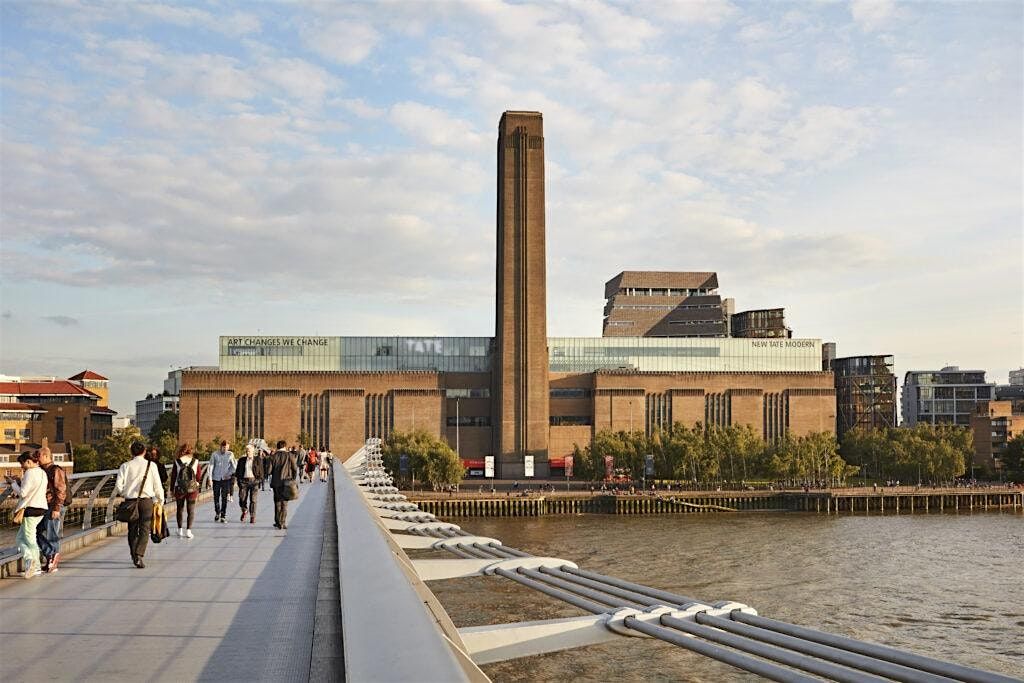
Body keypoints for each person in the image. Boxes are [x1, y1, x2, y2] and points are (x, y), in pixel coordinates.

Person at [115, 441, 164, 568]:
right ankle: (139, 554)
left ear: (131, 452)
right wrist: (160, 499)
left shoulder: (125, 466)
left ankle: (133, 554)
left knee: (132, 529)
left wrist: (126, 492)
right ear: (144, 452)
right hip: (146, 501)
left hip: (130, 501)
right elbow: (157, 484)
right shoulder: (151, 465)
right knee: (144, 529)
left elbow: (118, 486)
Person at [9, 450, 48, 578]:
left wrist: (13, 484)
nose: (22, 467)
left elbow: (24, 493)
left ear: (29, 461)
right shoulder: (42, 472)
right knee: (20, 538)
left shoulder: (30, 473)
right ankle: (31, 563)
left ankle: (34, 564)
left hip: (31, 509)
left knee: (30, 538)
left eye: (22, 464)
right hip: (41, 508)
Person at [37, 445, 68, 573]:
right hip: (44, 506)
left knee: (52, 534)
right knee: (35, 532)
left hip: (52, 506)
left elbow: (61, 489)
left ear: (45, 456)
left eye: (38, 456)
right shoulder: (42, 470)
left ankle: (52, 559)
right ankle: (51, 556)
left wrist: (56, 508)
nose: (37, 459)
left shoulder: (55, 470)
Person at [170, 443, 201, 538]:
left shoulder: (177, 462)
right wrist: (197, 484)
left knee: (180, 509)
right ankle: (188, 531)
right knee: (190, 510)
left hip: (180, 489)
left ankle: (180, 530)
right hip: (192, 490)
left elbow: (174, 477)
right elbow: (198, 476)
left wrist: (171, 490)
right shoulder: (196, 461)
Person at [269, 440, 298, 529]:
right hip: (287, 483)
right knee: (284, 503)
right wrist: (293, 478)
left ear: (277, 447)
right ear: (285, 446)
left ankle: (277, 522)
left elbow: (269, 471)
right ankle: (283, 522)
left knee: (277, 502)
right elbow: (295, 468)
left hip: (276, 483)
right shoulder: (290, 455)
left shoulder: (273, 457)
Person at [235, 443, 264, 524]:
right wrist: (239, 482)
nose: (248, 452)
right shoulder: (241, 460)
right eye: (247, 451)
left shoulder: (258, 459)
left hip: (254, 481)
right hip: (244, 482)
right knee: (242, 498)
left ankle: (252, 516)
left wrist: (259, 481)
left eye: (249, 451)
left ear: (253, 451)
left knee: (253, 500)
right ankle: (244, 510)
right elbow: (237, 472)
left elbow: (261, 472)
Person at [209, 440, 236, 523]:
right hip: (216, 478)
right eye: (224, 447)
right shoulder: (215, 454)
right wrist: (210, 479)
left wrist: (229, 474)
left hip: (225, 479)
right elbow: (210, 466)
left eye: (227, 447)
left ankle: (223, 515)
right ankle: (217, 512)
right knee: (216, 497)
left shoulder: (230, 454)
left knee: (224, 498)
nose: (225, 449)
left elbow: (234, 466)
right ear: (221, 447)